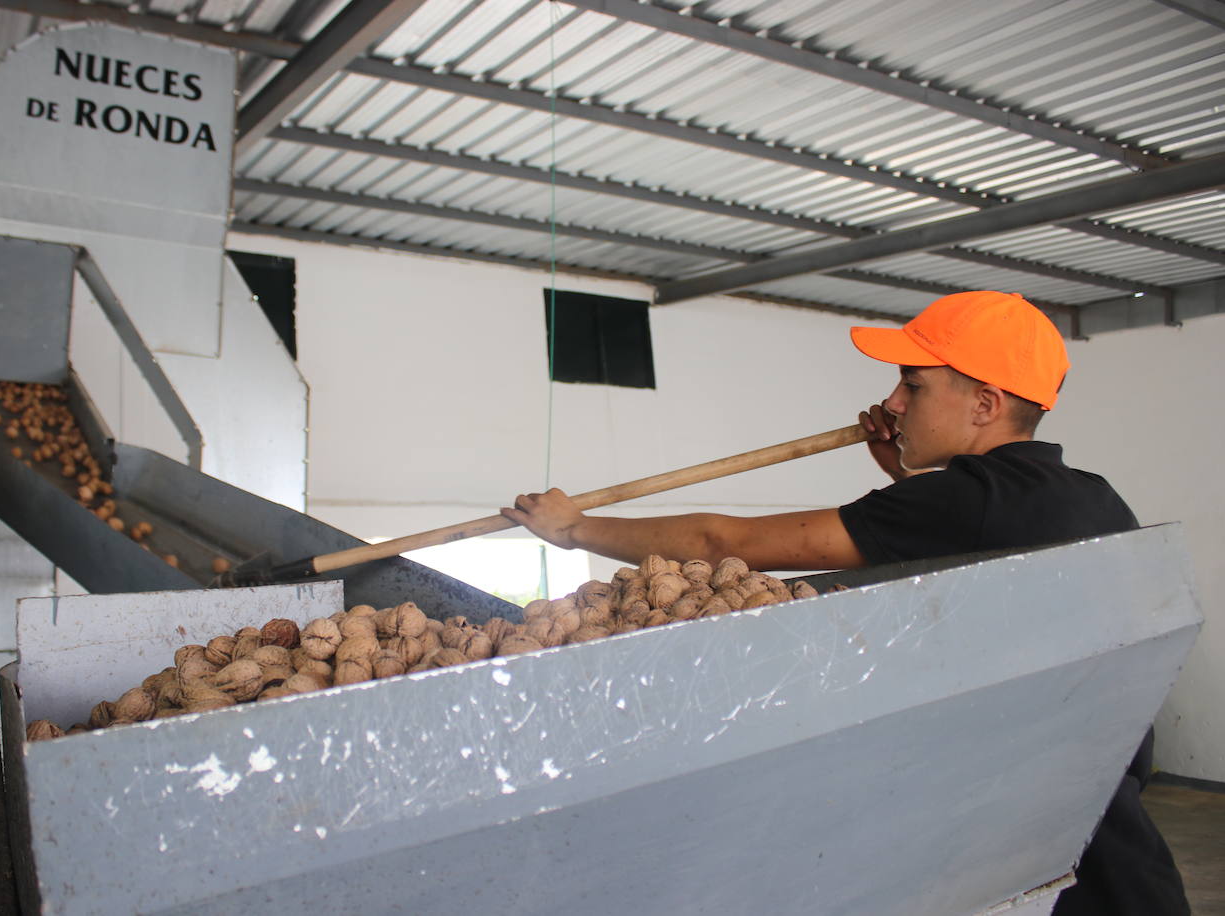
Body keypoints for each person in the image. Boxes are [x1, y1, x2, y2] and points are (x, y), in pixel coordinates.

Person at [501, 290, 1188, 915]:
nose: (892, 403)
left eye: (913, 386)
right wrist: (905, 479)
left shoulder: (965, 501)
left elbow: (724, 540)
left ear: (984, 404)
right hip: (1106, 833)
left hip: (1057, 870)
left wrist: (574, 527)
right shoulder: (1089, 494)